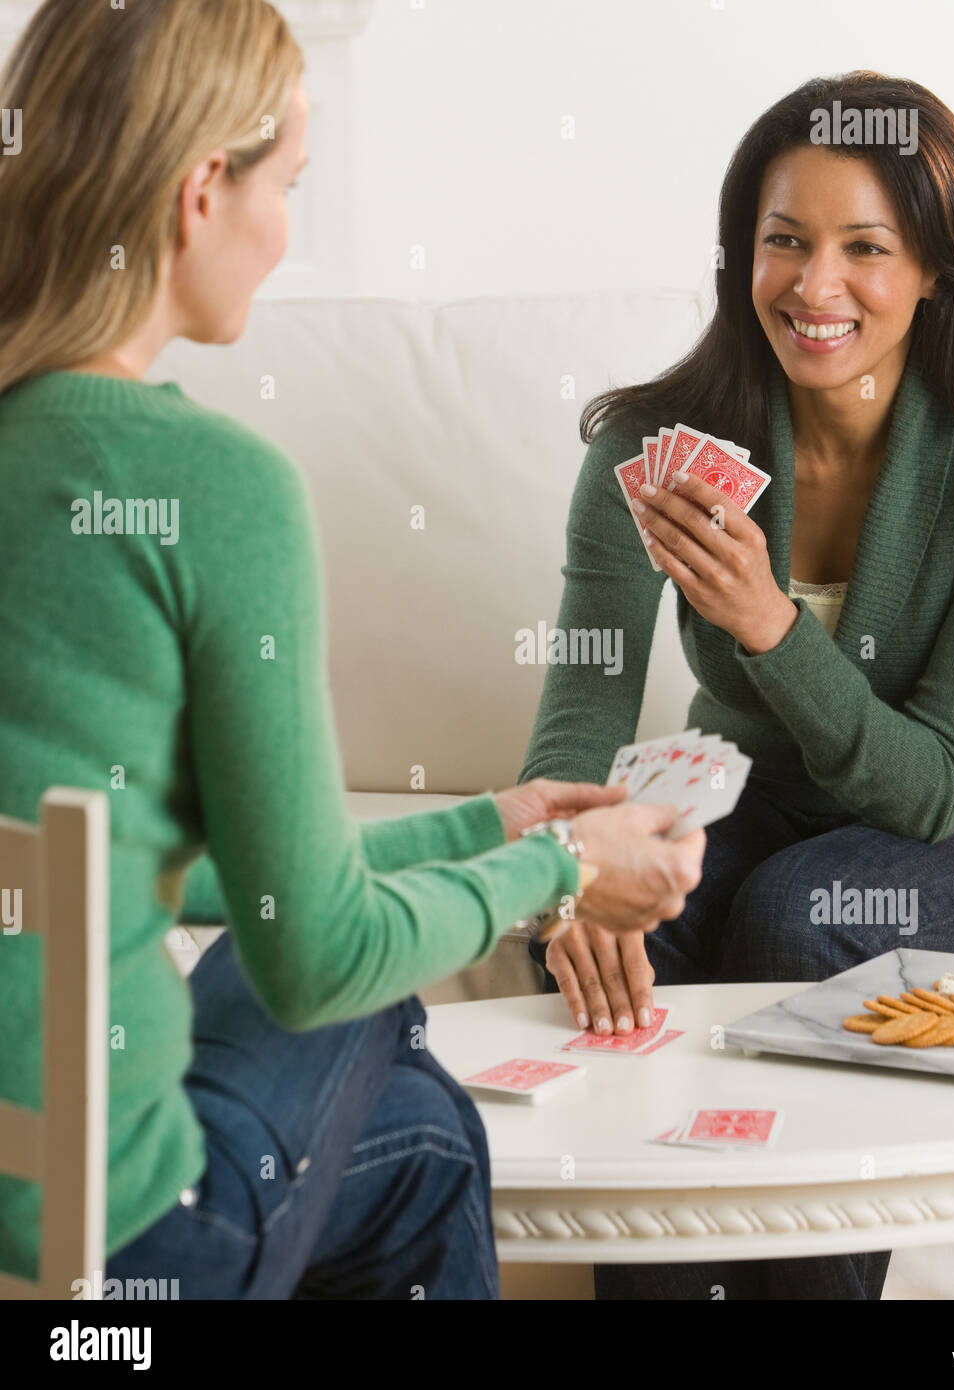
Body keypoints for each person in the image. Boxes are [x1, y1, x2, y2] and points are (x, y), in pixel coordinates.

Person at [0, 0, 705, 1299]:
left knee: (425, 1144)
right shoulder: (209, 483)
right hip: (125, 1247)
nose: (285, 235)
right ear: (203, 187)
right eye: (290, 187)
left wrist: (482, 825)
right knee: (369, 1002)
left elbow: (116, 873)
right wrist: (554, 864)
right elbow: (316, 953)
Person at [521, 70, 954, 1299]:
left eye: (865, 249)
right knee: (613, 924)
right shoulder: (649, 446)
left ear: (937, 268)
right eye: (785, 242)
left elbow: (934, 786)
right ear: (743, 255)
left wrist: (772, 626)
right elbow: (580, 721)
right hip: (759, 794)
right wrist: (563, 870)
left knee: (798, 911)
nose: (814, 286)